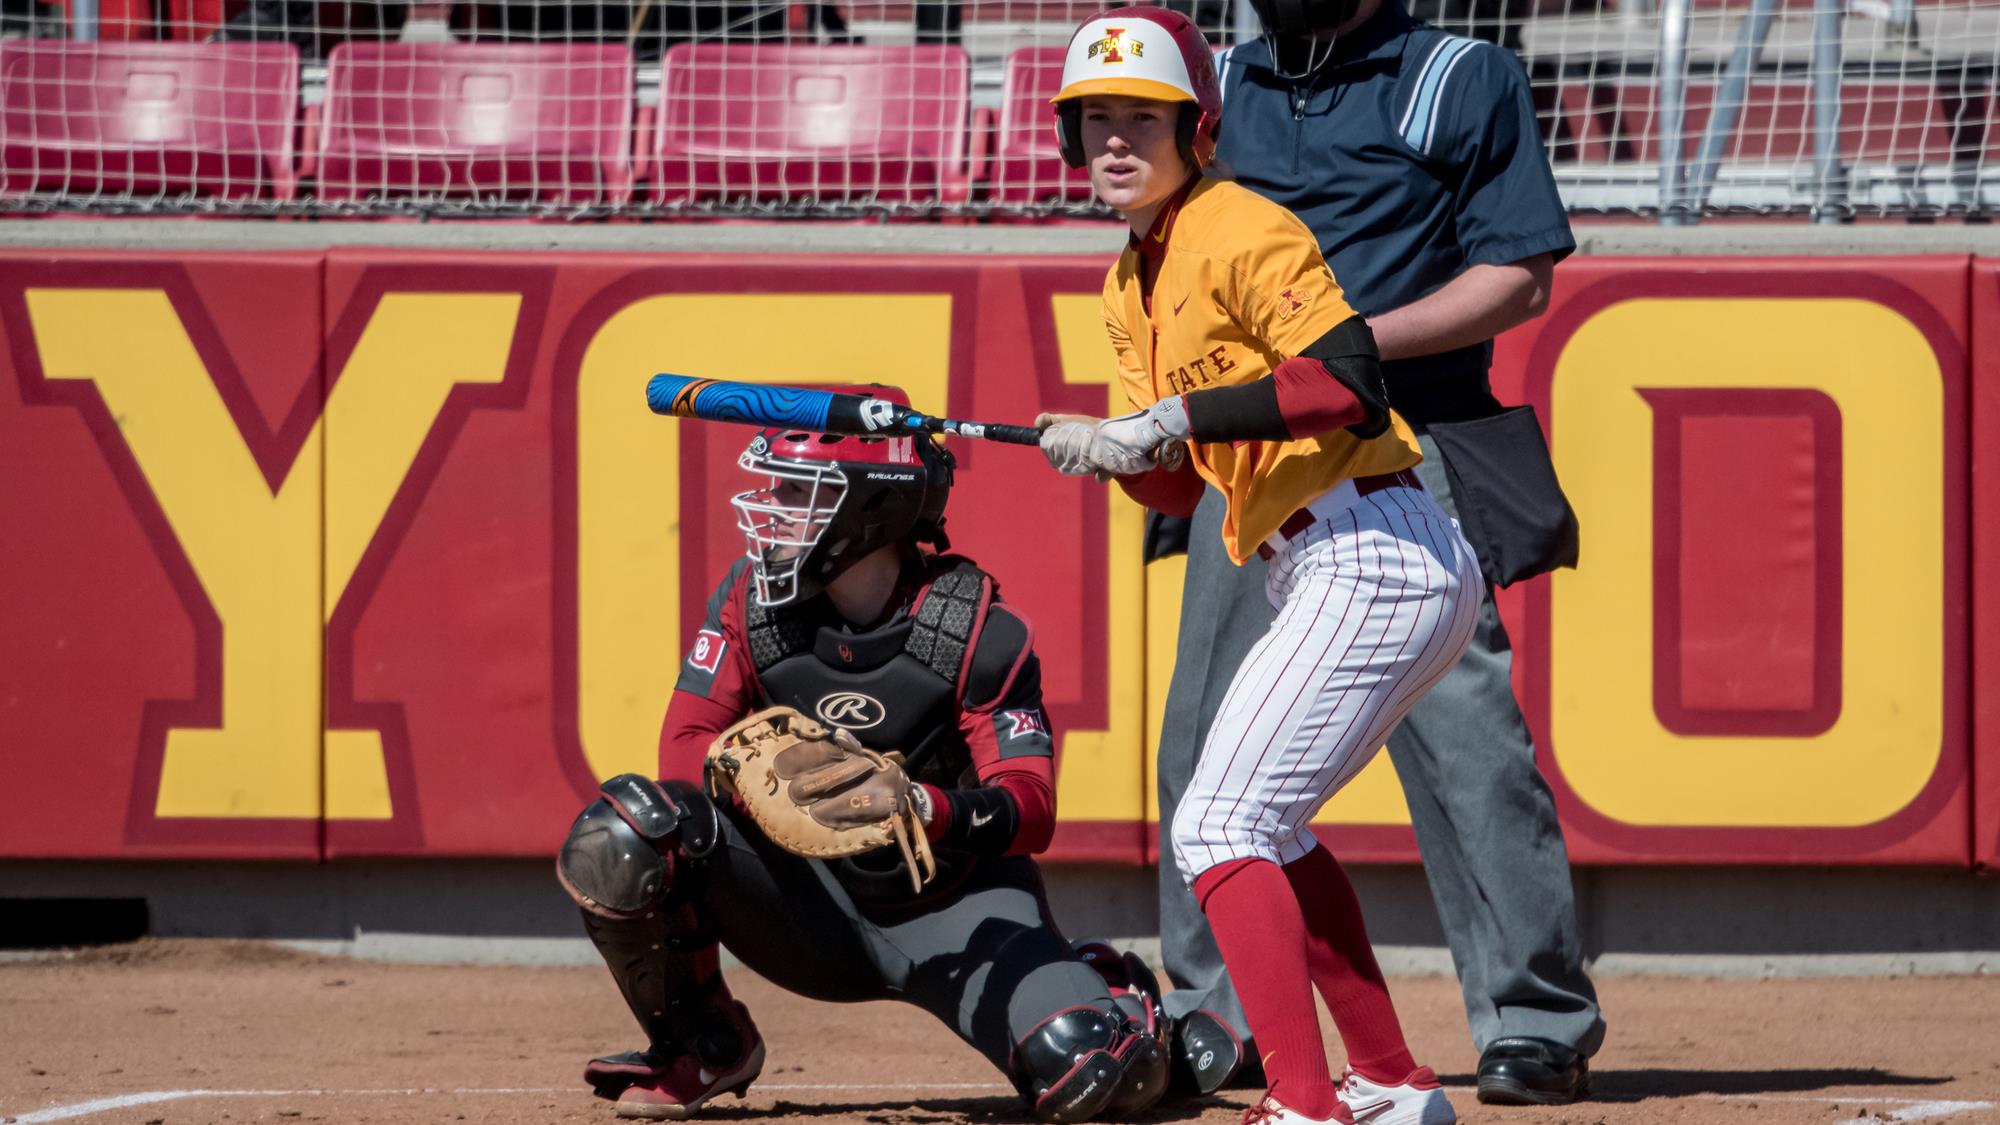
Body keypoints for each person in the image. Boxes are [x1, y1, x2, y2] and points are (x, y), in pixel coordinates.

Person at [1152, 0, 1606, 1107]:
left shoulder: (1461, 74)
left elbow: (1516, 278)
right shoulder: (1225, 85)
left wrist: (1343, 349)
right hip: (1258, 453)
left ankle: (1533, 1019)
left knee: (1467, 750)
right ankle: (1208, 1018)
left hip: (1414, 444)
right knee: (1206, 737)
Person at [555, 395, 1240, 1122]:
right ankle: (706, 1042)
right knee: (627, 829)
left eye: (797, 493)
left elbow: (1031, 809)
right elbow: (681, 751)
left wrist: (919, 806)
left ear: (868, 513)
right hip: (810, 903)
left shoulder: (975, 625)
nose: (770, 510)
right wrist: (762, 781)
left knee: (1093, 1068)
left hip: (961, 914)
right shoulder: (749, 600)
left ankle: (1113, 995)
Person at [1034, 9, 1481, 1124]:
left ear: (1198, 129)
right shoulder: (1124, 281)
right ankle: (1385, 1081)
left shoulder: (1239, 224)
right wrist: (1119, 455)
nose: (1114, 143)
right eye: (1094, 123)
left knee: (1216, 826)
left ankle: (1302, 1105)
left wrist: (1168, 414)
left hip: (1371, 541)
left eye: (1144, 119)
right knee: (1264, 825)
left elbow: (1346, 380)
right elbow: (1185, 486)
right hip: (1321, 556)